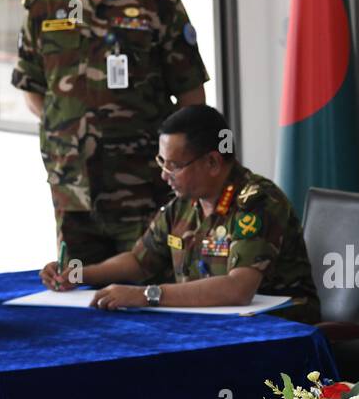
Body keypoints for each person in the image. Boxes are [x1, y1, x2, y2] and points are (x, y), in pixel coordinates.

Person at [13, 0, 208, 266]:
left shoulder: (157, 5)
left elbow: (191, 100)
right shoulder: (44, 6)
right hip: (72, 193)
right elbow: (32, 89)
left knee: (151, 289)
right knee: (77, 293)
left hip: (145, 191)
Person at [40, 105, 320, 324]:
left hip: (277, 330)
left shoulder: (257, 202)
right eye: (162, 162)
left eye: (174, 165)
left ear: (212, 162)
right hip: (207, 324)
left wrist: (146, 295)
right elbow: (139, 261)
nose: (164, 175)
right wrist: (77, 274)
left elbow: (238, 289)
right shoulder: (185, 203)